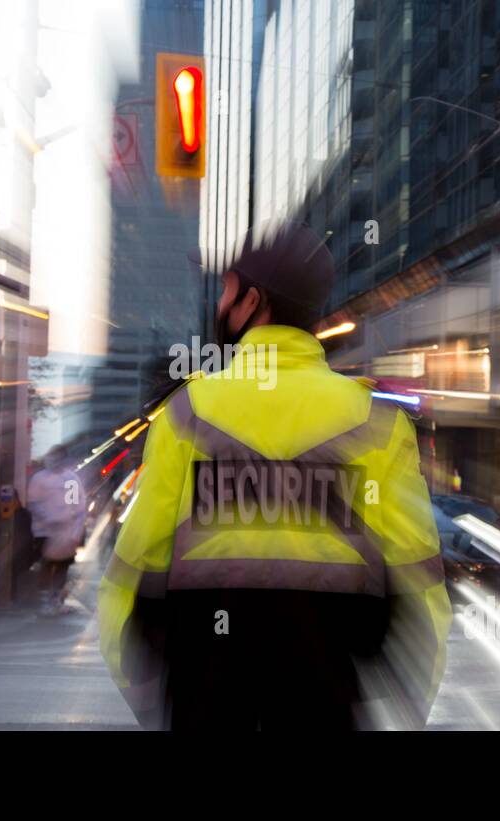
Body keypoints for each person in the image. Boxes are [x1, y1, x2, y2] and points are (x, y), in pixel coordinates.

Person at [97, 222, 453, 730]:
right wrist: (400, 713)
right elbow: (423, 595)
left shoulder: (187, 414)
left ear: (252, 301)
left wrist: (162, 704)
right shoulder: (377, 423)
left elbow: (126, 586)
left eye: (226, 290)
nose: (220, 305)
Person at [27, 445, 86, 616]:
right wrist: (47, 519)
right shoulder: (39, 479)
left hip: (65, 534)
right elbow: (34, 504)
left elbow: (77, 508)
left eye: (58, 457)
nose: (54, 460)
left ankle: (56, 601)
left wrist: (75, 533)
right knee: (46, 565)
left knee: (62, 567)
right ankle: (45, 603)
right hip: (44, 532)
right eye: (52, 457)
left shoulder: (70, 479)